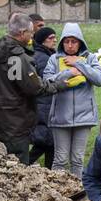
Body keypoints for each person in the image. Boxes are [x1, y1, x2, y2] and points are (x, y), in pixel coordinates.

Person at [43, 22, 101, 175]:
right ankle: (55, 193)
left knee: (77, 159)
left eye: (74, 41)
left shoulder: (89, 58)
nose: (70, 45)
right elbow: (47, 82)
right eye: (66, 41)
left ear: (80, 42)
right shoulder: (54, 59)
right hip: (60, 117)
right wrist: (69, 72)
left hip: (84, 117)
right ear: (62, 42)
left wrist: (79, 64)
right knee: (60, 159)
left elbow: (99, 79)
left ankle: (77, 192)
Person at [0, 11, 47, 161]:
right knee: (19, 166)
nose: (32, 36)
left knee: (3, 160)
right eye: (31, 32)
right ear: (22, 32)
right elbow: (35, 88)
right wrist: (59, 84)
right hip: (17, 121)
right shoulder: (18, 57)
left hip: (0, 118)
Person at [30, 25, 58, 167]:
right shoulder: (43, 58)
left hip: (44, 103)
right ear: (42, 41)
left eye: (55, 37)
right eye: (50, 38)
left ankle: (48, 170)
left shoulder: (46, 54)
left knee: (49, 142)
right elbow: (47, 81)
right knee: (46, 141)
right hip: (45, 104)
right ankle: (25, 163)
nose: (54, 40)